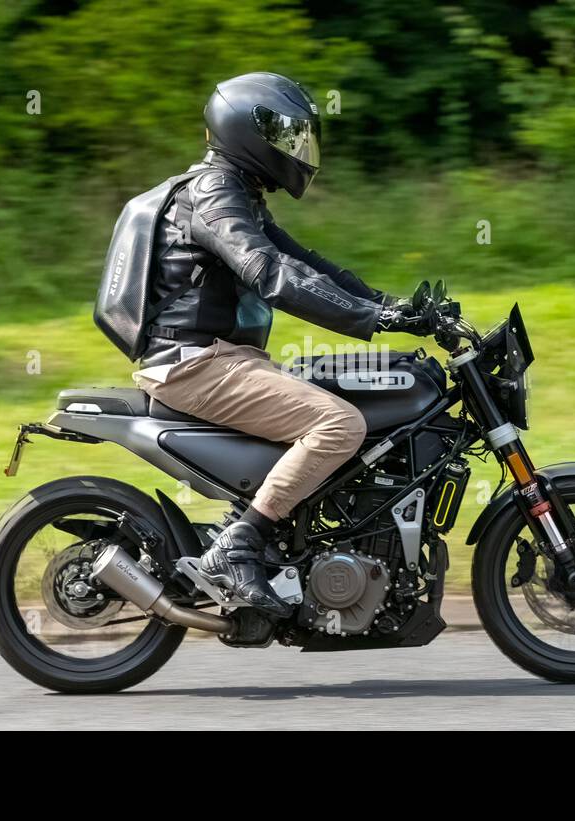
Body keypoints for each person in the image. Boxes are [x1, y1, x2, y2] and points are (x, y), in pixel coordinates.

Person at [130, 72, 424, 617]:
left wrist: (395, 308)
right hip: (195, 365)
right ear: (249, 133)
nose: (299, 149)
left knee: (348, 393)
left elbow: (308, 264)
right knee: (339, 424)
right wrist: (370, 317)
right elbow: (268, 271)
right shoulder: (212, 193)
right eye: (288, 137)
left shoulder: (238, 194)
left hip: (224, 360)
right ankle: (239, 545)